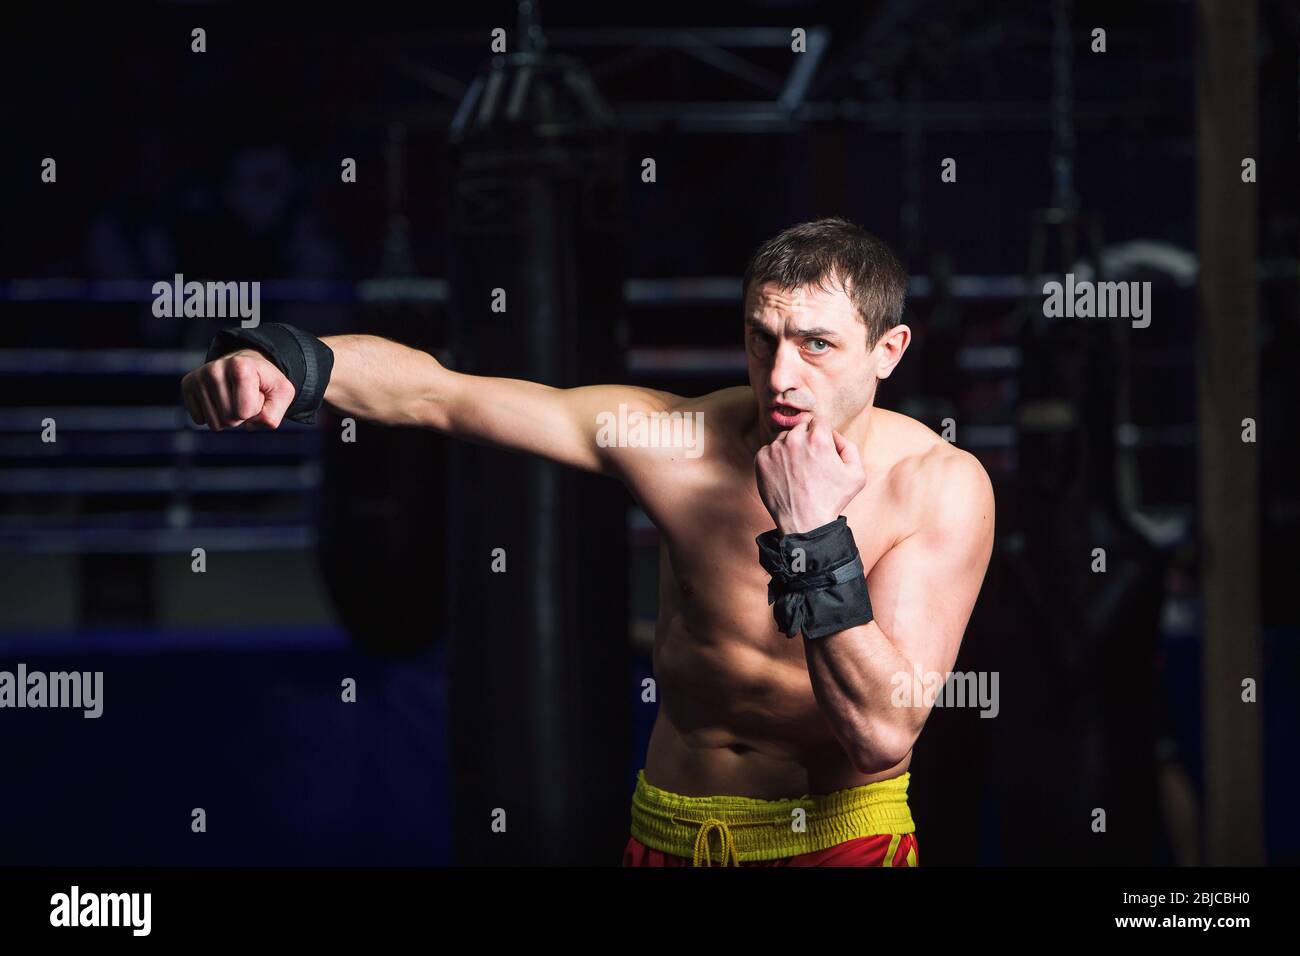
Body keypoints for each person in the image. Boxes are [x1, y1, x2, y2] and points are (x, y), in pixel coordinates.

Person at [181, 217, 995, 867]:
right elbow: (440, 393)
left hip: (836, 843)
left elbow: (884, 732)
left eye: (817, 344)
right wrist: (288, 358)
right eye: (762, 338)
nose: (782, 375)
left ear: (888, 351)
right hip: (670, 829)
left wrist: (813, 532)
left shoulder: (939, 485)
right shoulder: (676, 439)